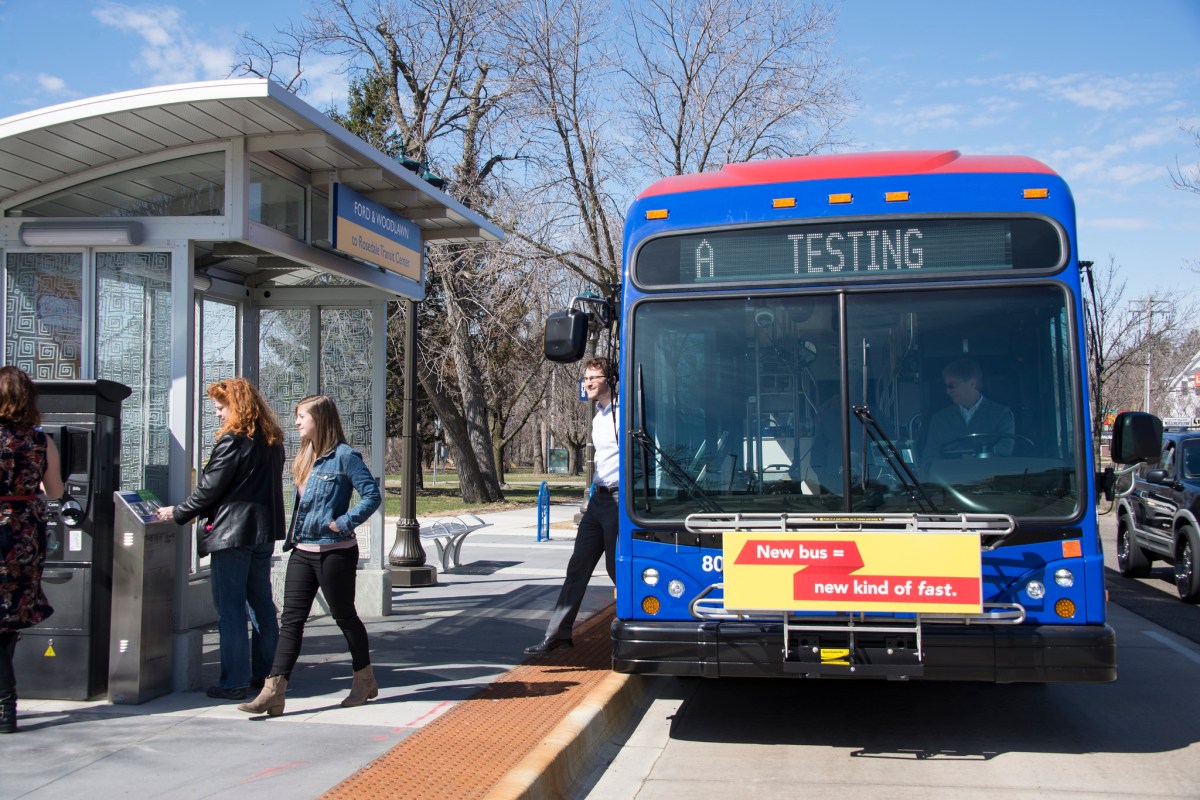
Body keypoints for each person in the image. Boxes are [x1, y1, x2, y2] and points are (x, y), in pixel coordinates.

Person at [238, 394, 382, 716]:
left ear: (321, 419)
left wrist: (344, 522)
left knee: (344, 616)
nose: (297, 422)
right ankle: (273, 690)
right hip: (302, 550)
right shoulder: (305, 456)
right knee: (291, 620)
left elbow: (372, 496)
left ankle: (364, 680)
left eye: (302, 416)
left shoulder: (346, 457)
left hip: (336, 553)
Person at [155, 378, 285, 700]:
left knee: (229, 609)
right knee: (262, 606)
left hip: (232, 534)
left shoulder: (233, 441)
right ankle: (269, 676)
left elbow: (210, 489)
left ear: (236, 406)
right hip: (263, 533)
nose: (217, 415)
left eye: (220, 407)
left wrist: (178, 512)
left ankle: (234, 681)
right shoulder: (272, 440)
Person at [525, 356, 619, 656]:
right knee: (578, 566)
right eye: (586, 378)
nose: (588, 383)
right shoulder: (598, 416)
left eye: (594, 378)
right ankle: (558, 633)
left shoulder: (624, 412)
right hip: (599, 500)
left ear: (610, 380)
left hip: (620, 501)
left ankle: (638, 625)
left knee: (617, 568)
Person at [0, 366, 64, 734]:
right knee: (9, 617)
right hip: (25, 531)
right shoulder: (41, 441)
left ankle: (5, 705)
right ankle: (5, 703)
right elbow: (54, 491)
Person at [921, 358, 1015, 464]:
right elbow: (930, 458)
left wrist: (976, 462)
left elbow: (1004, 454)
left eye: (952, 386)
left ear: (972, 384)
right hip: (950, 479)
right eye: (946, 386)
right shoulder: (939, 420)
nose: (948, 391)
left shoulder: (1001, 415)